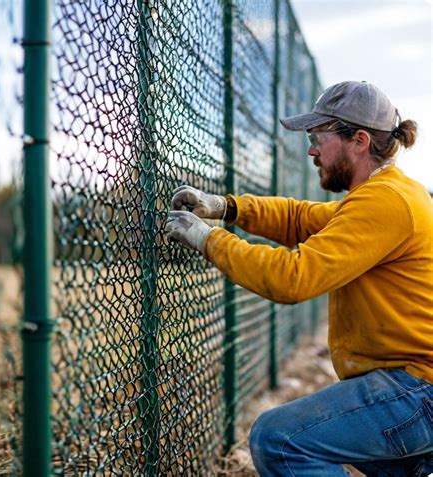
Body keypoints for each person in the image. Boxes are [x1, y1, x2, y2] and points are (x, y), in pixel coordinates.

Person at [165, 81, 433, 476]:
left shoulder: (386, 202)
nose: (311, 150)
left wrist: (209, 240)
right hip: (411, 385)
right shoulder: (384, 195)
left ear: (358, 140)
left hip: (416, 391)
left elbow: (293, 278)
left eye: (317, 137)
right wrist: (227, 207)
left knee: (279, 439)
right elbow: (301, 219)